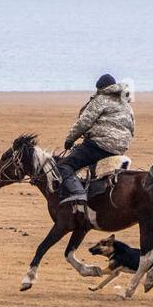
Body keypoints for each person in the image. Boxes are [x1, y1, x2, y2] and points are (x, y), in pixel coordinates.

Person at [57, 74, 135, 218]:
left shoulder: (100, 100)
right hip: (120, 149)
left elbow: (84, 122)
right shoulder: (126, 103)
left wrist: (70, 140)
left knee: (63, 166)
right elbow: (132, 128)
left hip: (100, 145)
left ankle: (78, 194)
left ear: (100, 88)